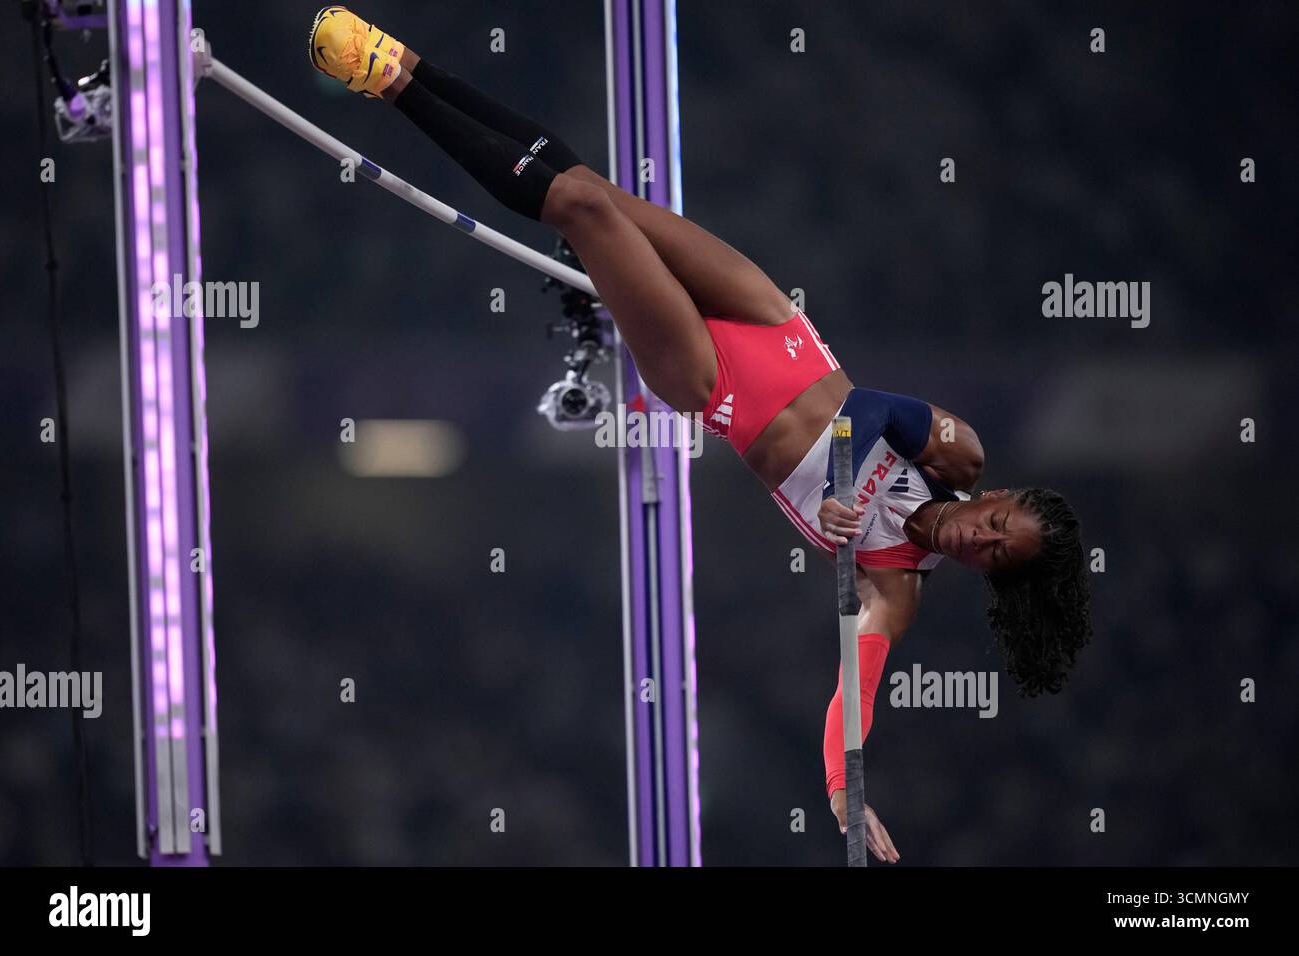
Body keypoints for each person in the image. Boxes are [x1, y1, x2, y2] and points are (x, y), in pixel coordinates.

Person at [308, 6, 1093, 863]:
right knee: (593, 184)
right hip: (771, 323)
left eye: (993, 556)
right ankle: (409, 65)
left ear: (987, 576)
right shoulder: (959, 453)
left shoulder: (893, 588)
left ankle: (392, 92)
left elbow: (851, 701)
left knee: (576, 207)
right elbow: (880, 410)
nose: (978, 537)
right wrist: (838, 475)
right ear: (999, 497)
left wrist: (841, 793)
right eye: (997, 523)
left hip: (713, 387)